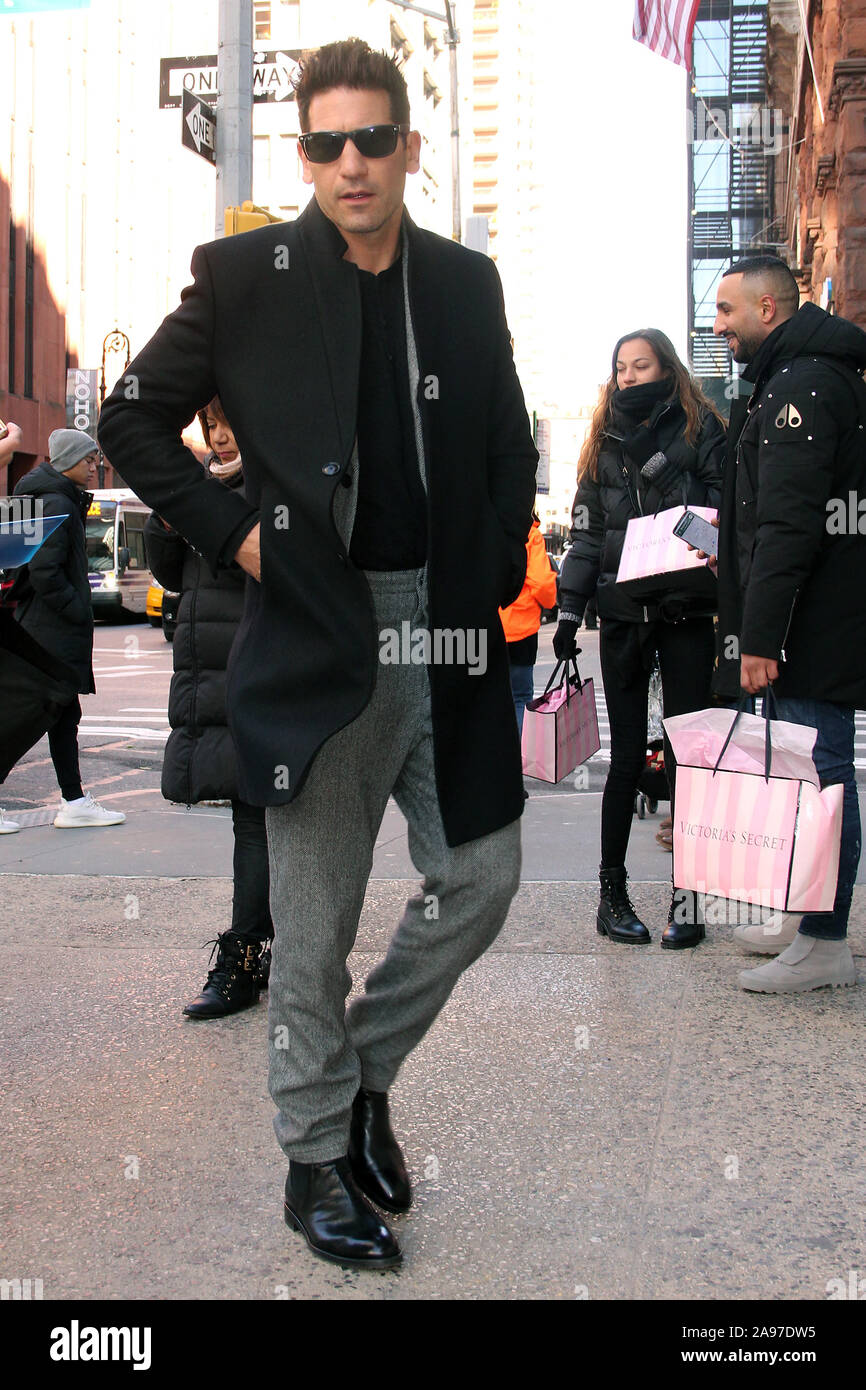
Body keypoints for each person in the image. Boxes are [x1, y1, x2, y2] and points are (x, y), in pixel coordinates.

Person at [98, 38, 537, 1272]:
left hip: (443, 631)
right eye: (325, 143)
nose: (351, 164)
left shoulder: (463, 282)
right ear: (304, 154)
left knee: (486, 875)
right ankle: (310, 1166)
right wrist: (237, 538)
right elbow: (126, 417)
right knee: (313, 922)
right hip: (316, 631)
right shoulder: (247, 275)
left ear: (408, 145)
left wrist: (497, 561)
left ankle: (360, 1080)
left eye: (373, 139)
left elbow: (506, 434)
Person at [711, 255, 866, 992]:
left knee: (823, 775)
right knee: (802, 772)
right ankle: (802, 918)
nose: (720, 327)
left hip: (813, 620)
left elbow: (789, 521)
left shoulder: (802, 383)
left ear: (768, 309)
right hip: (814, 610)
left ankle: (825, 940)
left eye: (728, 311)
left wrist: (761, 636)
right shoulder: (796, 373)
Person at [555, 329, 725, 947]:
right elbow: (588, 531)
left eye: (640, 365)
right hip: (625, 611)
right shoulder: (603, 442)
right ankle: (612, 895)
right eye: (620, 368)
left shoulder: (701, 428)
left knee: (690, 754)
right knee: (626, 758)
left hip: (685, 610)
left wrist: (700, 541)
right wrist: (570, 610)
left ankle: (690, 898)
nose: (628, 377)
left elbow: (725, 515)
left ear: (665, 366)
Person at [144, 397, 274, 1018]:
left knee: (280, 821)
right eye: (211, 425)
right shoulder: (199, 486)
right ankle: (257, 951)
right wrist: (168, 513)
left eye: (228, 422)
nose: (220, 437)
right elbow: (169, 573)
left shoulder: (277, 482)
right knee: (251, 820)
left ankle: (253, 953)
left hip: (263, 674)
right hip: (218, 674)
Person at [10, 430, 126, 829]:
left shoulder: (42, 496)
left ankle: (74, 800)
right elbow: (45, 572)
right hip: (50, 630)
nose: (95, 468)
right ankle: (73, 801)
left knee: (60, 713)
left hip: (39, 625)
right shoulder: (57, 501)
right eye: (90, 460)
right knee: (31, 713)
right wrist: (77, 610)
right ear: (69, 461)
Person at [500, 511, 557, 735]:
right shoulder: (530, 535)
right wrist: (550, 601)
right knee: (520, 697)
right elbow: (542, 583)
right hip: (521, 630)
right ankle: (515, 761)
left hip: (488, 628)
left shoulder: (487, 528)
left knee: (486, 698)